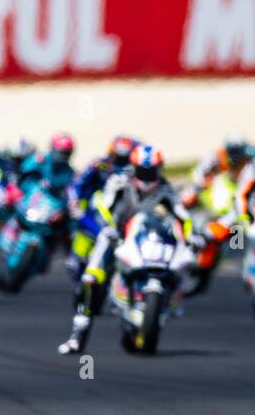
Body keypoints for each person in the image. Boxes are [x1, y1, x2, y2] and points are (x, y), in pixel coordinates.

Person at [59, 145, 200, 355]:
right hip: (115, 236)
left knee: (180, 260)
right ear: (133, 169)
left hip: (146, 237)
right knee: (91, 279)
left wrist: (190, 236)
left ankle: (168, 302)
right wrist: (107, 227)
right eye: (143, 172)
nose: (147, 177)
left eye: (152, 172)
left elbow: (183, 216)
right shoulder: (119, 182)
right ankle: (77, 336)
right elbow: (103, 207)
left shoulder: (165, 188)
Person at [66, 135, 139, 279]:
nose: (120, 162)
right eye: (117, 157)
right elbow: (78, 183)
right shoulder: (99, 164)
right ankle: (78, 247)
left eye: (125, 158)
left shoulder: (135, 173)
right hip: (95, 210)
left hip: (122, 216)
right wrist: (74, 199)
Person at [185, 135, 255, 211]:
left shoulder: (250, 163)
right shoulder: (216, 159)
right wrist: (200, 185)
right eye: (231, 152)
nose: (235, 158)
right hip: (220, 199)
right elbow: (198, 174)